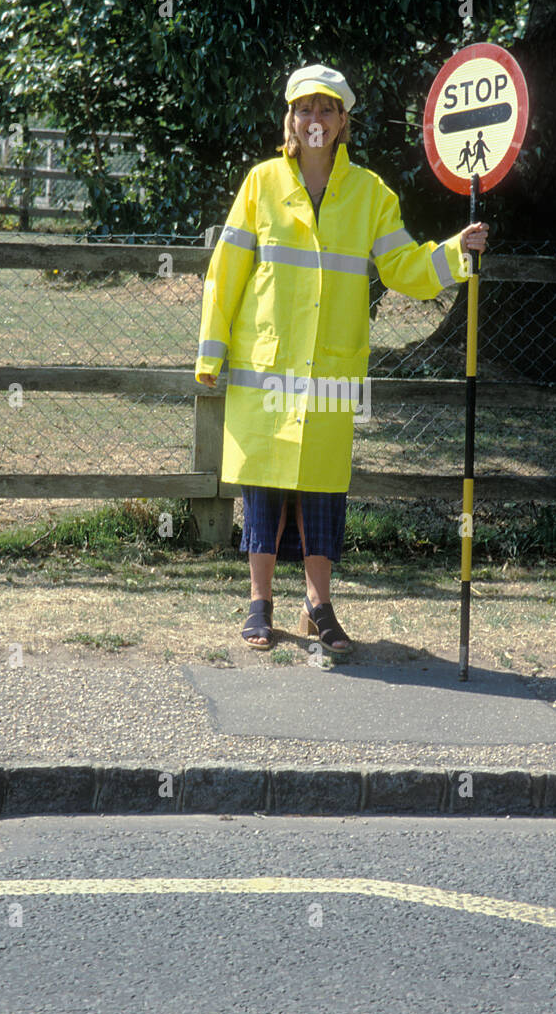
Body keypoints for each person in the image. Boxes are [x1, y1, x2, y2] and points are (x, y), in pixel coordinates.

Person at [196, 62, 489, 654]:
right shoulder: (260, 185)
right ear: (291, 118)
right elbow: (224, 273)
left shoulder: (371, 195)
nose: (315, 119)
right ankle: (259, 606)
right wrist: (212, 350)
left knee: (324, 492)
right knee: (265, 490)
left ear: (342, 122)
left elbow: (406, 270)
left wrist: (456, 253)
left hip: (331, 375)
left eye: (326, 109)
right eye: (305, 108)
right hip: (266, 371)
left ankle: (318, 608)